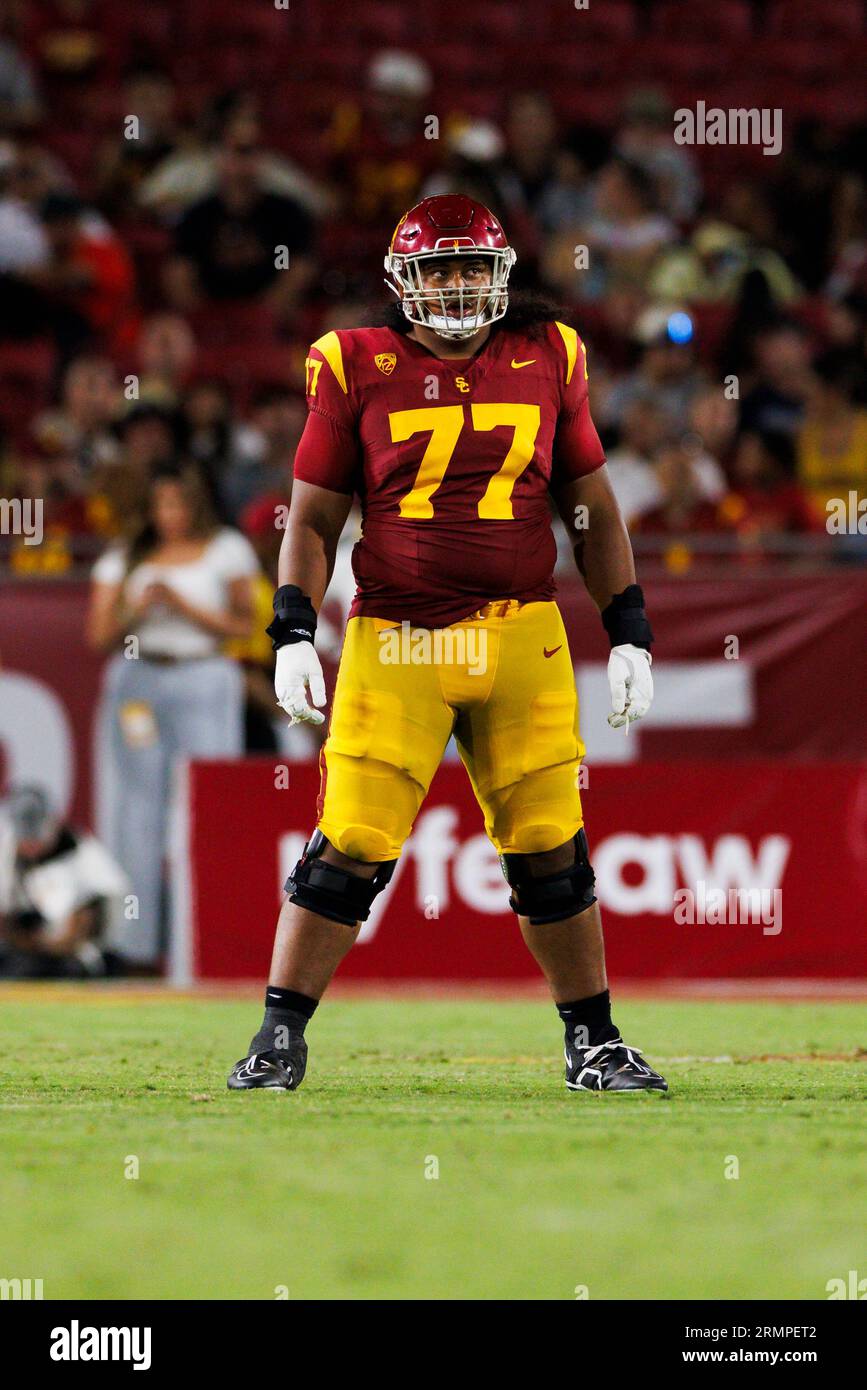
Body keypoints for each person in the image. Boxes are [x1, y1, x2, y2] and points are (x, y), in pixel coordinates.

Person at [228, 194, 666, 1095]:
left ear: (500, 275)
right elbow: (312, 521)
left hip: (522, 635)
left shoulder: (551, 353)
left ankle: (594, 1042)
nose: (458, 284)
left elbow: (591, 509)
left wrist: (628, 629)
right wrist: (292, 630)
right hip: (397, 636)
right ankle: (277, 1038)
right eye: (440, 268)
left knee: (551, 842)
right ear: (405, 281)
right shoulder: (353, 362)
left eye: (472, 267)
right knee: (350, 839)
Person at [88, 464, 256, 963]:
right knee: (136, 809)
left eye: (178, 505)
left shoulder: (227, 549)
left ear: (196, 505)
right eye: (161, 506)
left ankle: (202, 943)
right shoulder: (125, 555)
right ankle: (131, 946)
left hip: (203, 676)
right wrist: (137, 610)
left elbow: (244, 623)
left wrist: (183, 604)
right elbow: (98, 636)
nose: (170, 516)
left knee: (204, 802)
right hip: (139, 680)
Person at [0, 785, 129, 978]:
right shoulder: (8, 854)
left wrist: (40, 943)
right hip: (23, 947)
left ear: (53, 825)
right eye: (24, 837)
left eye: (35, 836)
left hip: (77, 955)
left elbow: (123, 905)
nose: (30, 845)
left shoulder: (86, 858)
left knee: (46, 970)